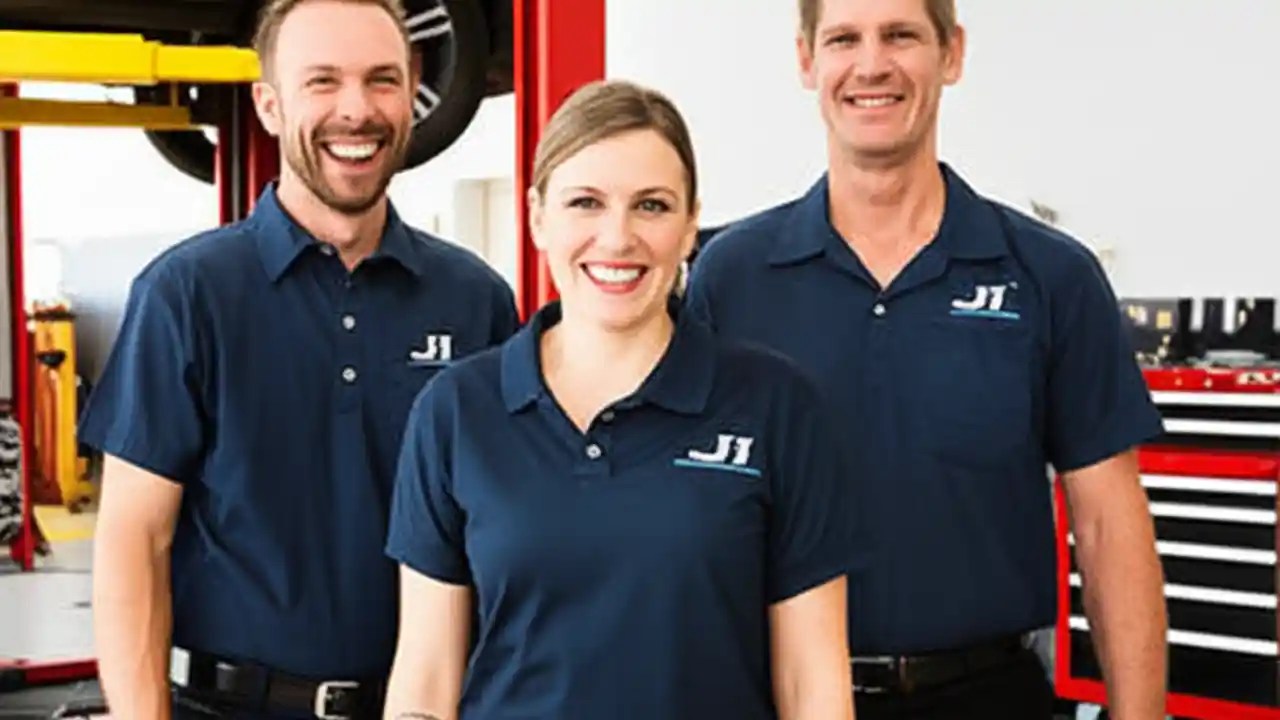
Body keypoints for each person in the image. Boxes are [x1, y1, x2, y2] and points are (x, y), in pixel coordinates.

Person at [684, 0, 1168, 718]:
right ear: (807, 61)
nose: (872, 64)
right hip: (779, 695)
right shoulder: (732, 278)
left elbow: (1109, 529)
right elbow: (682, 513)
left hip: (989, 697)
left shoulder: (1048, 276)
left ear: (952, 53)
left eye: (901, 35)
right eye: (844, 38)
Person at [78, 0, 519, 717]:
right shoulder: (188, 294)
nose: (358, 110)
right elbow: (135, 541)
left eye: (383, 80)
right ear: (270, 105)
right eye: (323, 82)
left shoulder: (476, 302)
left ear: (414, 94)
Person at [380, 79, 860, 720]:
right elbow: (426, 679)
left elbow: (813, 684)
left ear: (692, 224)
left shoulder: (777, 407)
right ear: (537, 217)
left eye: (652, 206)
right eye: (586, 202)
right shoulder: (456, 411)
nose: (617, 238)